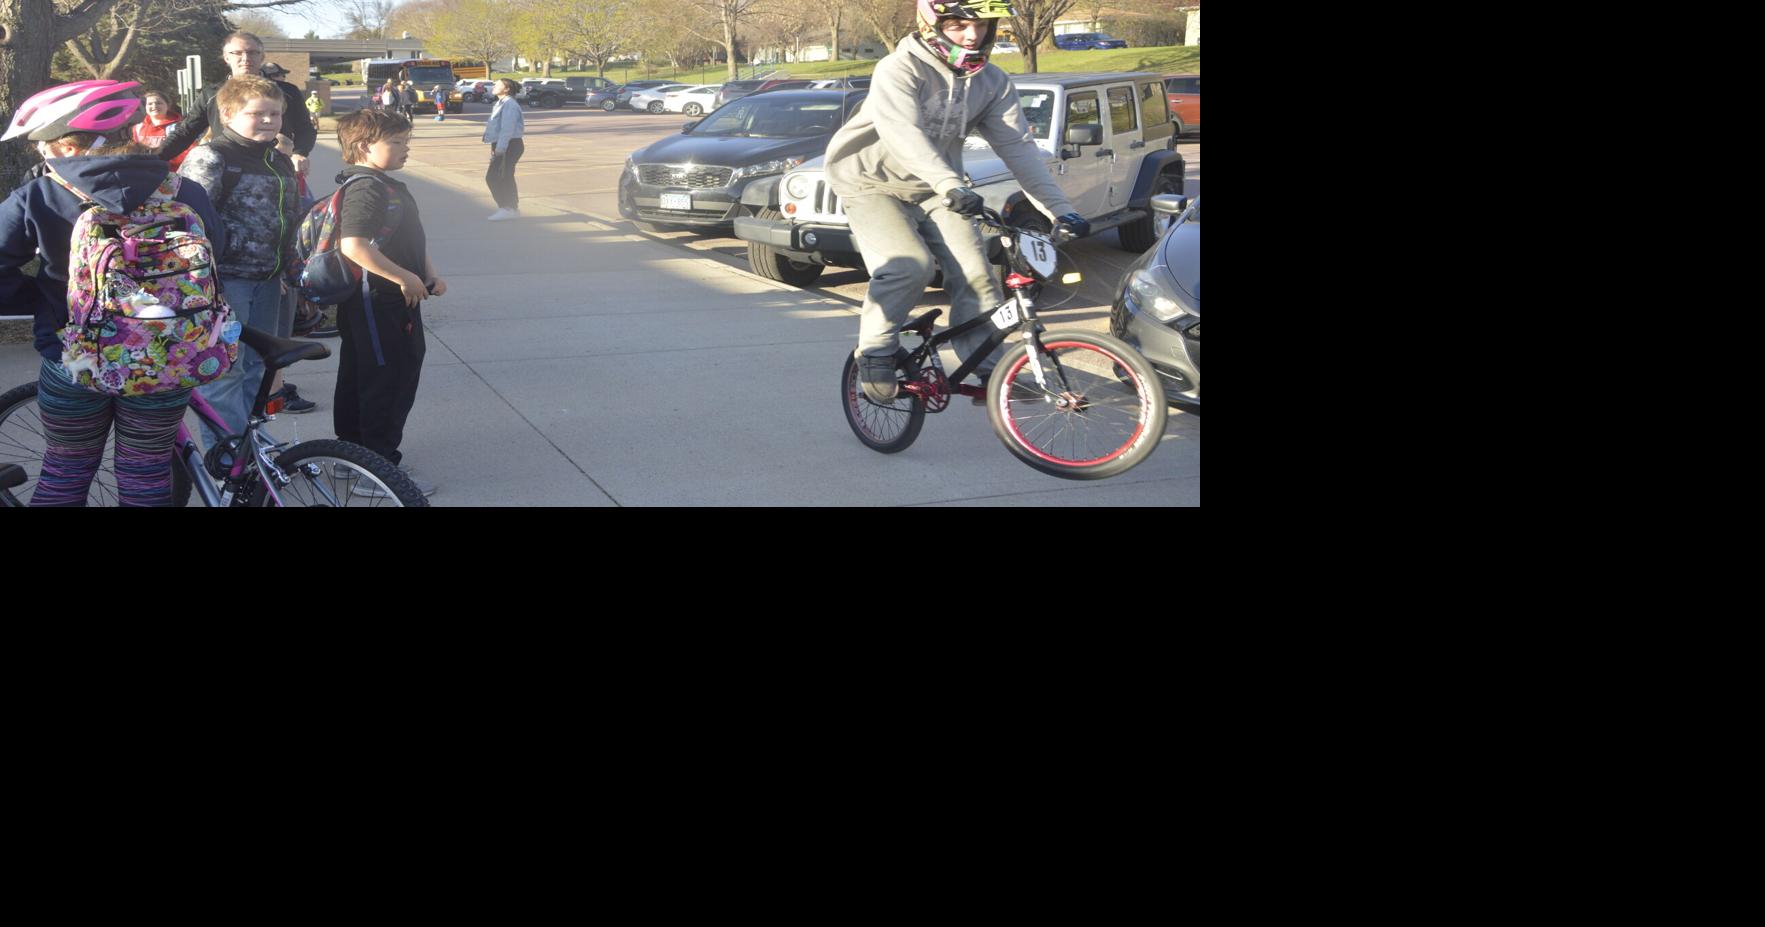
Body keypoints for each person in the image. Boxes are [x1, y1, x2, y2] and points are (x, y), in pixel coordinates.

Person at [824, 0, 1090, 403]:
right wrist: (950, 183)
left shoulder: (991, 82)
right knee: (909, 266)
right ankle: (875, 352)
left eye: (980, 26)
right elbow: (902, 134)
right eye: (958, 26)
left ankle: (989, 369)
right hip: (870, 182)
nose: (971, 35)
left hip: (938, 188)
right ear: (933, 24)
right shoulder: (898, 69)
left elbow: (1018, 147)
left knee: (978, 275)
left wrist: (1061, 208)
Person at [0, 80, 228, 506]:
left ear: (67, 147)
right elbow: (217, 254)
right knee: (146, 469)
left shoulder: (39, 195)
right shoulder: (183, 191)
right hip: (165, 357)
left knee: (66, 467)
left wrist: (41, 300)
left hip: (73, 355)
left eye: (40, 146)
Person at [177, 76, 310, 449]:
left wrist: (286, 266)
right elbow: (188, 222)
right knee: (224, 369)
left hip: (270, 279)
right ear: (229, 113)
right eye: (258, 113)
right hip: (225, 282)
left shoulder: (277, 159)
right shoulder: (212, 156)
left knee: (258, 365)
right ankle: (228, 454)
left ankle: (253, 443)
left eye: (275, 114)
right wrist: (205, 280)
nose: (268, 120)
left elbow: (288, 216)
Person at [330, 108, 445, 497]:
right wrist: (404, 277)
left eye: (406, 141)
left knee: (361, 376)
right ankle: (377, 471)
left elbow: (409, 235)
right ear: (364, 146)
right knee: (388, 381)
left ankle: (352, 458)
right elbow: (354, 246)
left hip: (383, 300)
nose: (405, 149)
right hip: (377, 301)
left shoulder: (384, 184)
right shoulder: (367, 187)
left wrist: (427, 272)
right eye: (396, 142)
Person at [154, 32, 316, 179]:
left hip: (277, 170)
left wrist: (299, 153)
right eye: (237, 53)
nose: (245, 58)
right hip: (227, 172)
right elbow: (186, 131)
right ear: (226, 58)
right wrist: (153, 160)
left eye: (252, 52)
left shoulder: (287, 92)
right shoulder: (211, 94)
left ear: (262, 57)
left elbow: (305, 129)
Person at [483, 79, 525, 221]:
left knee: (494, 177)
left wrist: (500, 149)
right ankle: (512, 208)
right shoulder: (501, 103)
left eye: (498, 84)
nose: (494, 86)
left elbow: (507, 128)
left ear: (506, 89)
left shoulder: (509, 104)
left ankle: (506, 208)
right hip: (503, 143)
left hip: (508, 144)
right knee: (505, 176)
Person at [131, 89, 190, 169]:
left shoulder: (178, 126)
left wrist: (159, 160)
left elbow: (187, 153)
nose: (154, 106)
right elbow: (132, 151)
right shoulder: (137, 127)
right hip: (144, 172)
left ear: (167, 106)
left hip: (170, 173)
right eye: (150, 104)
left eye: (159, 103)